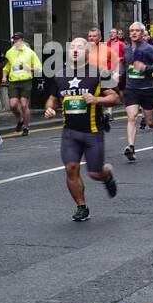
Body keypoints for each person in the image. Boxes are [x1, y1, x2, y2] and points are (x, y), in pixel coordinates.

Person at [43, 37, 120, 221]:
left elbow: (115, 97)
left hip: (93, 132)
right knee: (71, 168)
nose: (75, 50)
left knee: (94, 173)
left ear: (87, 51)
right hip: (69, 133)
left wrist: (98, 100)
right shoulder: (59, 74)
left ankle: (106, 176)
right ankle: (81, 206)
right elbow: (52, 97)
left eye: (80, 47)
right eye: (73, 47)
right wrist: (50, 108)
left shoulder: (99, 73)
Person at [121, 22, 153, 161]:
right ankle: (131, 147)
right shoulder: (127, 49)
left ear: (142, 33)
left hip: (147, 89)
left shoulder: (149, 49)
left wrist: (145, 68)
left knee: (149, 121)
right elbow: (126, 66)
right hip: (131, 88)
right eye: (131, 30)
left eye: (137, 31)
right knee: (132, 117)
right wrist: (118, 74)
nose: (134, 33)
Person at [2, 31, 42, 136]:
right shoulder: (9, 52)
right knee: (13, 105)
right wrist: (4, 76)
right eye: (14, 39)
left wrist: (30, 68)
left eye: (18, 39)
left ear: (22, 40)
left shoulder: (30, 52)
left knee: (24, 105)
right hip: (13, 81)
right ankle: (20, 119)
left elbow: (39, 68)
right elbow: (7, 66)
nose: (15, 41)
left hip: (26, 81)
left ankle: (26, 127)